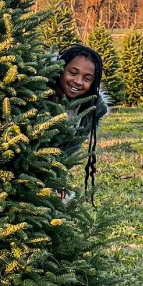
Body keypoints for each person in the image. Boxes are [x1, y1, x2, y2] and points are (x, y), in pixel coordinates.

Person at [51, 44, 110, 203]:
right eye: (72, 72)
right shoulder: (39, 93)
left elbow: (68, 151)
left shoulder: (91, 109)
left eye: (87, 78)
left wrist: (58, 179)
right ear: (61, 68)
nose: (78, 81)